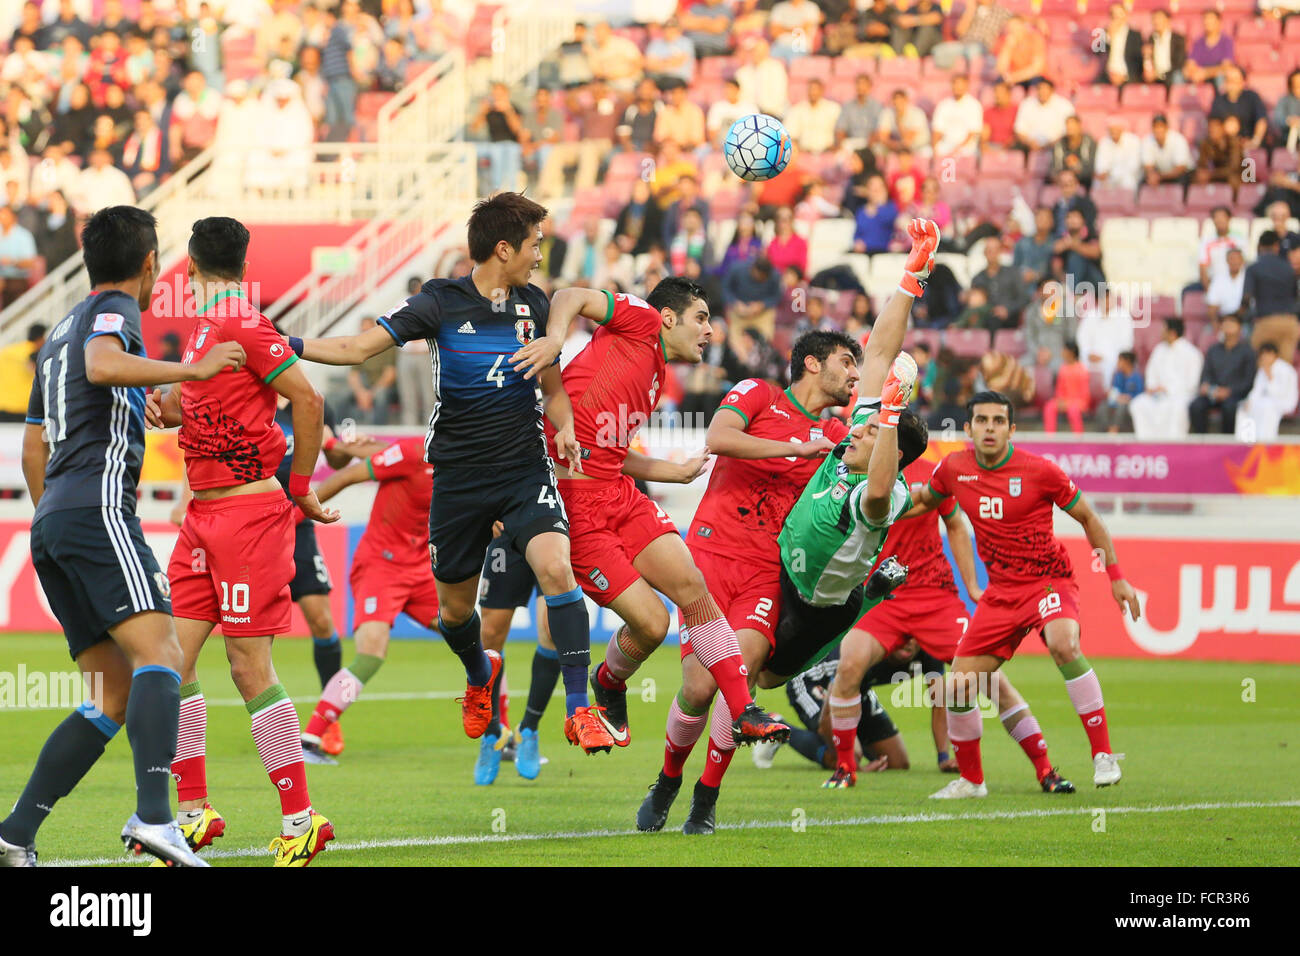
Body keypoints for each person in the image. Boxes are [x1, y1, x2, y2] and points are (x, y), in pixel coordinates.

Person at [295, 193, 598, 752]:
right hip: (457, 479)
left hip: (523, 470)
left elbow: (553, 391)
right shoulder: (439, 302)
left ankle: (580, 709)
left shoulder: (535, 306)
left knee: (558, 569)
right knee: (456, 615)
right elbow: (361, 347)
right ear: (504, 248)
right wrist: (287, 344)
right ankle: (479, 677)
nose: (539, 255)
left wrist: (567, 427)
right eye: (534, 244)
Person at [0, 207, 244, 869]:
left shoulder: (55, 335)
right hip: (97, 512)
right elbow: (105, 366)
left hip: (52, 520)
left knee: (109, 694)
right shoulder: (117, 314)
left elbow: (34, 445)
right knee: (163, 651)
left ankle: (15, 832)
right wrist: (190, 372)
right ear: (148, 266)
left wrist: (59, 505)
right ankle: (157, 818)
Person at [146, 217, 338, 866]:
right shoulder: (208, 327)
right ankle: (195, 814)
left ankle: (302, 820)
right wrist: (168, 407)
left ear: (191, 265)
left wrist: (304, 485)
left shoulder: (242, 323)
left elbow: (306, 399)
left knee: (249, 667)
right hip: (202, 517)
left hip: (248, 517)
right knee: (170, 661)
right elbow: (209, 400)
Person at [541, 281, 789, 760]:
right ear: (669, 318)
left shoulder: (658, 376)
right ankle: (607, 682)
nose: (710, 330)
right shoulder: (640, 318)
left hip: (617, 493)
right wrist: (555, 338)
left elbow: (608, 454)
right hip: (576, 507)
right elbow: (570, 293)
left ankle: (743, 710)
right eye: (701, 317)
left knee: (694, 589)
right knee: (653, 625)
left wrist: (670, 473)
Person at [638, 329, 858, 833]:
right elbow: (718, 439)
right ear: (811, 363)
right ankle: (668, 780)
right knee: (698, 686)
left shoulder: (835, 437)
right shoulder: (758, 393)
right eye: (846, 361)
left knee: (741, 672)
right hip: (710, 556)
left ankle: (706, 797)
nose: (852, 374)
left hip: (765, 570)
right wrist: (798, 448)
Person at [908, 390, 1140, 797]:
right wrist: (869, 511)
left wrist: (1116, 576)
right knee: (957, 688)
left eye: (999, 421)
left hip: (1048, 580)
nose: (990, 429)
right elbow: (927, 499)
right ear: (969, 428)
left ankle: (1102, 755)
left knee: (1064, 644)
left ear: (1012, 429)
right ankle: (971, 781)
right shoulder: (954, 469)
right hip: (1002, 593)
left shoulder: (1040, 471)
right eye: (982, 421)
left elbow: (1088, 517)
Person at [816, 455, 1076, 791]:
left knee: (991, 681)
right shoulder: (854, 469)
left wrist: (971, 585)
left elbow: (955, 523)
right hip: (882, 594)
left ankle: (1045, 771)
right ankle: (846, 768)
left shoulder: (932, 471)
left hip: (934, 593)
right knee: (848, 667)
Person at [760, 220, 941, 694]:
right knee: (737, 656)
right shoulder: (856, 440)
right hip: (781, 566)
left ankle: (867, 600)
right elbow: (879, 352)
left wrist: (893, 409)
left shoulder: (886, 492)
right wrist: (910, 279)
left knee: (769, 677)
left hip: (820, 606)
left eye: (872, 429)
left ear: (893, 451)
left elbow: (878, 491)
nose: (854, 428)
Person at [297, 436, 437, 763]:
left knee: (476, 638)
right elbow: (347, 474)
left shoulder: (471, 463)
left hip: (422, 569)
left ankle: (498, 734)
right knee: (372, 652)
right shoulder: (415, 451)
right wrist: (293, 516)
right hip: (381, 566)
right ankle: (311, 738)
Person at [473, 538, 561, 783]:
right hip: (508, 535)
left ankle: (529, 729)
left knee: (552, 629)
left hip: (550, 531)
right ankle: (492, 733)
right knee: (490, 635)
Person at [1129, 318, 1203, 438]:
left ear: (1172, 332)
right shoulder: (1159, 350)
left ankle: (1172, 448)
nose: (1161, 333)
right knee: (1138, 404)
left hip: (1181, 395)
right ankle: (1146, 445)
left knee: (1175, 408)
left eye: (1164, 330)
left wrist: (1167, 389)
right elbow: (1151, 373)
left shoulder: (1192, 353)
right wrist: (1153, 387)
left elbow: (1192, 383)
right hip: (1157, 394)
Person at [1189, 313, 1260, 434]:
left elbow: (1248, 380)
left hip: (1235, 395)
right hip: (1213, 394)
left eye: (1231, 323)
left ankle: (1227, 446)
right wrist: (1209, 388)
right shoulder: (1213, 350)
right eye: (1225, 323)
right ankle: (1201, 443)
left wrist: (1230, 391)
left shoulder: (1248, 352)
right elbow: (1206, 374)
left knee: (1230, 408)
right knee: (1196, 406)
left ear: (1239, 327)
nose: (1227, 326)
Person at [1236, 342, 1299, 441]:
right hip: (1265, 401)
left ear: (1274, 354)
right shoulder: (1262, 369)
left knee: (1267, 407)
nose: (1265, 357)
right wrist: (1249, 400)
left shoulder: (1286, 370)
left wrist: (1269, 375)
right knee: (1243, 407)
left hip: (1284, 402)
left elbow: (1280, 394)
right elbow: (1256, 390)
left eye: (1267, 354)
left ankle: (1266, 442)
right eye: (1263, 355)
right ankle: (1245, 442)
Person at [1042, 340, 1092, 433]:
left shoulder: (1082, 370)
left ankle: (1079, 439)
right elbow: (1059, 389)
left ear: (1071, 352)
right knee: (1049, 407)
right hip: (1064, 401)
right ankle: (1049, 438)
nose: (1062, 352)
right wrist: (1061, 400)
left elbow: (1085, 395)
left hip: (1079, 402)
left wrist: (1069, 402)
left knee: (1073, 410)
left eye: (1064, 350)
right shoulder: (1063, 368)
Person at [1103, 350, 1143, 433]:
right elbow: (1115, 391)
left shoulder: (1137, 377)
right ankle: (1107, 429)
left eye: (1120, 360)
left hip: (1131, 403)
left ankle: (1114, 429)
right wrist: (1114, 396)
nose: (1118, 363)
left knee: (1122, 406)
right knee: (1102, 407)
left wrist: (1129, 398)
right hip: (1117, 401)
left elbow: (1140, 395)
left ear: (1127, 361)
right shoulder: (1118, 376)